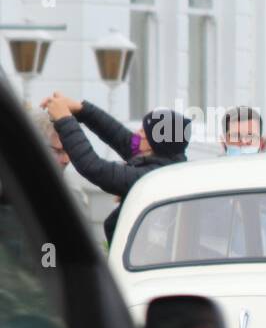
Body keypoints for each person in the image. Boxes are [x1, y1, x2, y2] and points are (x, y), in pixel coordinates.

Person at [41, 91, 189, 242]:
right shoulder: (166, 158)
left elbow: (94, 168)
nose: (137, 133)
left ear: (155, 142)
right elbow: (120, 137)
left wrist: (64, 120)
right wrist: (81, 110)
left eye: (144, 131)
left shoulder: (152, 177)